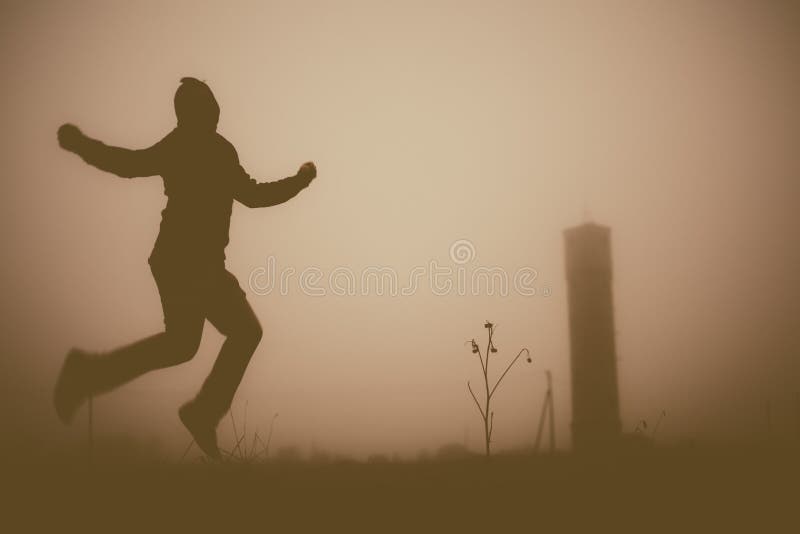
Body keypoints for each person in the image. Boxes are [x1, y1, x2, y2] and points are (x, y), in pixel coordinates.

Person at [54, 77, 317, 460]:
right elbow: (131, 164)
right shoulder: (195, 146)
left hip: (184, 262)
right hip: (189, 264)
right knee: (241, 333)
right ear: (206, 112)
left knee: (183, 344)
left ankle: (90, 374)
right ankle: (199, 412)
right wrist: (301, 180)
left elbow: (130, 165)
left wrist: (81, 146)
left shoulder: (202, 147)